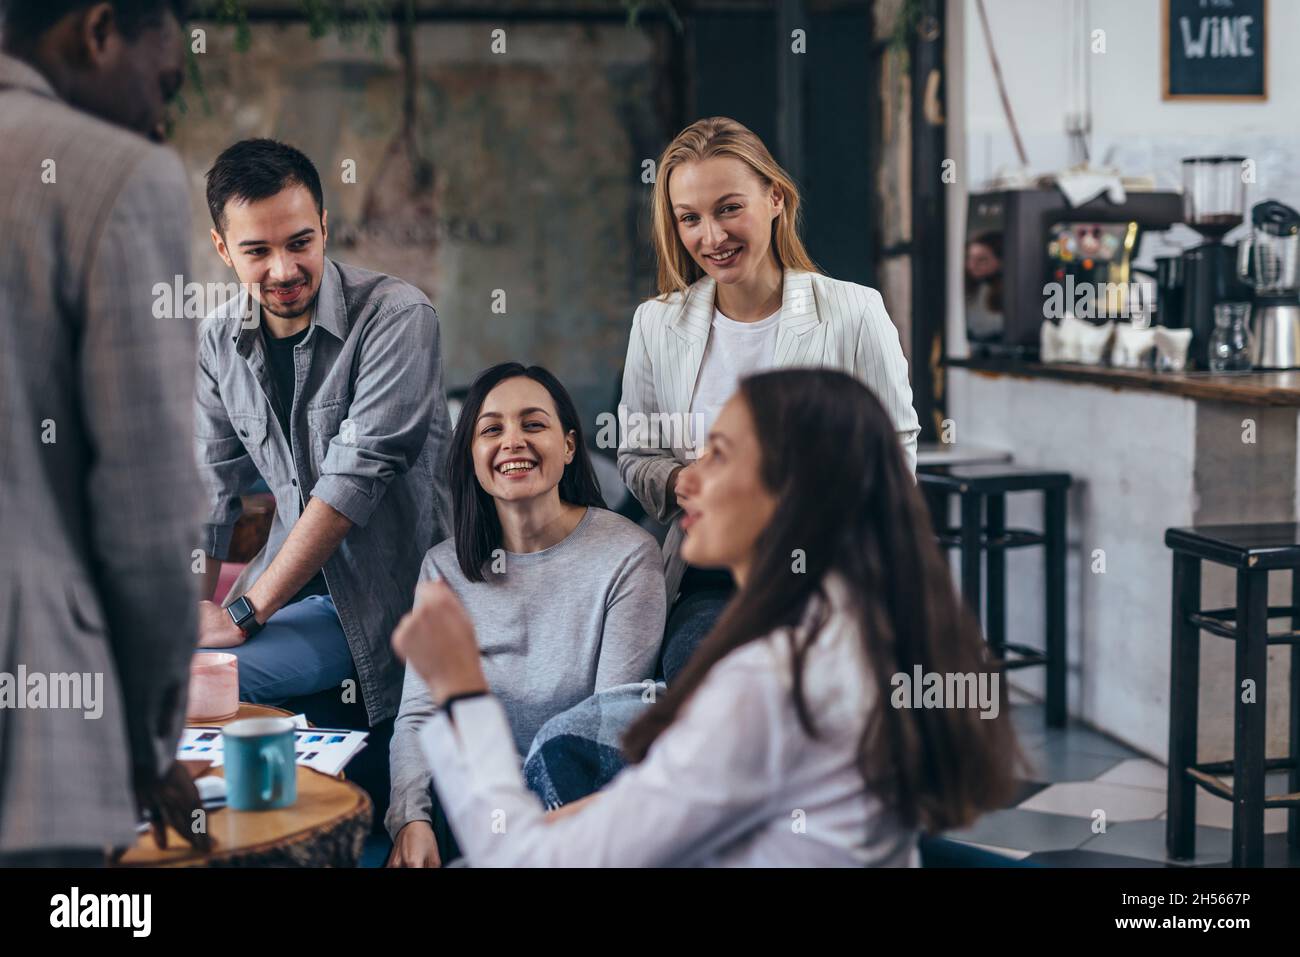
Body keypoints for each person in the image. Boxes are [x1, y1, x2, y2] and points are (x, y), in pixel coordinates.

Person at [392, 368, 1020, 867]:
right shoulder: (843, 627)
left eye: (717, 455)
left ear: (790, 488)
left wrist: (461, 690)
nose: (684, 483)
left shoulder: (770, 684)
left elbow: (523, 855)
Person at [0, 0, 210, 864]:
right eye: (163, 80)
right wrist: (150, 741)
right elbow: (151, 519)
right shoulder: (119, 176)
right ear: (96, 31)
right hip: (37, 742)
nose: (160, 116)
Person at [618, 116, 922, 675]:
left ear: (775, 198)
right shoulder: (657, 324)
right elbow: (637, 454)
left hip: (831, 571)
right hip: (712, 580)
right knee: (707, 675)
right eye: (690, 218)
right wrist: (678, 480)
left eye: (729, 208)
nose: (712, 237)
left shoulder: (854, 312)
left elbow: (895, 454)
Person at [193, 138, 453, 729]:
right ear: (222, 249)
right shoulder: (216, 341)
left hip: (382, 603)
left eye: (299, 242)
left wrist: (241, 613)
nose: (283, 270)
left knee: (191, 687)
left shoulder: (397, 317)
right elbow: (208, 495)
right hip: (279, 601)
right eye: (256, 251)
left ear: (325, 226)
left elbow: (349, 483)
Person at [386, 363, 665, 867]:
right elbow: (419, 715)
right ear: (472, 457)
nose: (512, 441)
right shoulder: (443, 567)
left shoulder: (628, 555)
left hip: (570, 812)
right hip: (465, 807)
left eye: (533, 424)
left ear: (570, 446)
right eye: (491, 430)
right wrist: (411, 819)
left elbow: (603, 733)